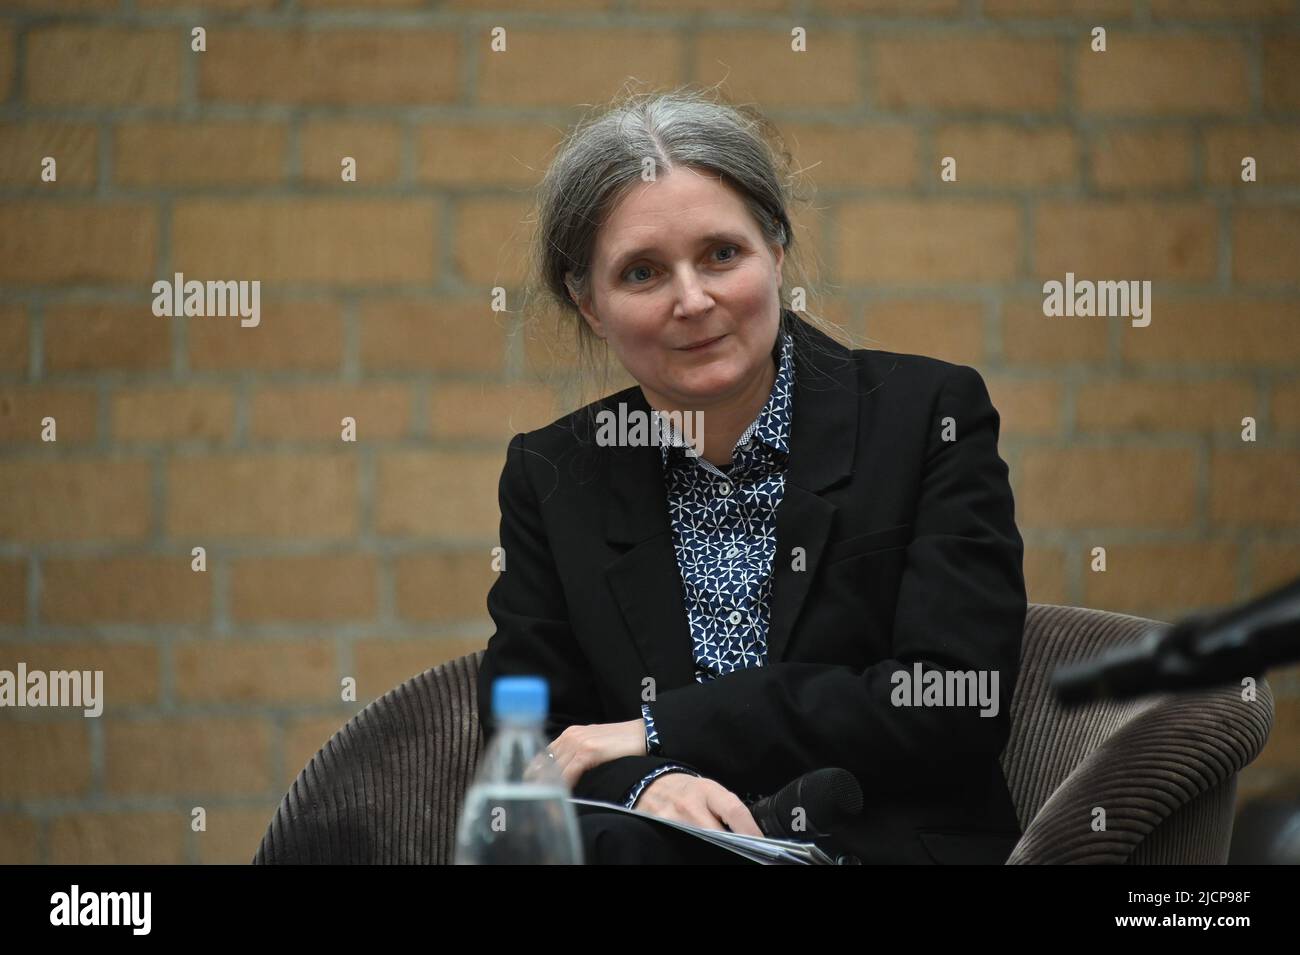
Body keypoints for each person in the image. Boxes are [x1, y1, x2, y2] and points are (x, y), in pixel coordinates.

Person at [477, 86, 1026, 864]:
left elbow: (953, 699)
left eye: (721, 254)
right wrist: (643, 779)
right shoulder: (553, 471)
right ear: (589, 303)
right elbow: (527, 733)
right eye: (641, 272)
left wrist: (665, 727)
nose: (692, 299)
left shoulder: (927, 415)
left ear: (775, 247)